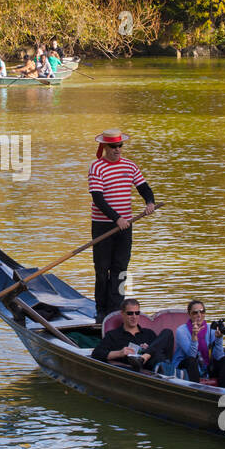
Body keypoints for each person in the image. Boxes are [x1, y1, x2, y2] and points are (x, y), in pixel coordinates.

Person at [88, 129, 157, 322]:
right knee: (102, 270)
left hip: (125, 226)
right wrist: (116, 218)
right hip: (103, 225)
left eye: (120, 146)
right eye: (114, 146)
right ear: (105, 147)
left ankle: (116, 308)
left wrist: (149, 202)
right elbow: (98, 199)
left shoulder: (130, 166)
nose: (118, 150)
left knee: (120, 269)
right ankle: (101, 310)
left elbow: (143, 187)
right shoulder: (96, 167)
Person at [91, 298, 173, 372]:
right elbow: (96, 354)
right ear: (122, 314)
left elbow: (163, 350)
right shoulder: (113, 335)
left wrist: (148, 350)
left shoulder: (148, 333)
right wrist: (120, 353)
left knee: (167, 332)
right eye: (130, 313)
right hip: (145, 370)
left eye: (137, 313)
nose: (134, 317)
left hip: (160, 363)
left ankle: (144, 357)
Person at [173, 300, 225, 387]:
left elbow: (219, 356)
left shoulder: (211, 329)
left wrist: (219, 338)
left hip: (206, 366)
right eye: (195, 313)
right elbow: (192, 355)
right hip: (186, 365)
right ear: (189, 314)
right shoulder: (181, 331)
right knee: (192, 361)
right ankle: (196, 392)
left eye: (202, 312)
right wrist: (194, 336)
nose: (199, 315)